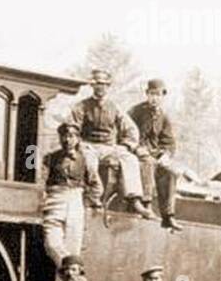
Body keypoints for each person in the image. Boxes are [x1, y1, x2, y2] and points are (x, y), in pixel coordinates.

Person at [66, 69, 155, 220]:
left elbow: (130, 128)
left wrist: (126, 145)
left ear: (108, 87)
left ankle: (135, 200)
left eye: (104, 84)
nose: (101, 88)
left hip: (109, 147)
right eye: (98, 84)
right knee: (89, 161)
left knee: (131, 159)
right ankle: (94, 196)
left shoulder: (114, 107)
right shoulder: (81, 106)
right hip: (89, 145)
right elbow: (72, 127)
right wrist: (76, 143)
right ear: (92, 85)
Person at [41, 121, 103, 272]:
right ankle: (74, 273)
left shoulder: (86, 159)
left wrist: (87, 202)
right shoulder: (49, 158)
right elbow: (40, 178)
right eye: (64, 136)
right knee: (52, 244)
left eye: (71, 136)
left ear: (78, 138)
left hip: (76, 202)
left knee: (73, 247)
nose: (67, 140)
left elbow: (96, 185)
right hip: (54, 201)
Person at [128, 79, 189, 232]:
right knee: (147, 162)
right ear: (147, 94)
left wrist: (165, 155)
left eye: (158, 95)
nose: (154, 98)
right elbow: (125, 133)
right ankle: (146, 204)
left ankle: (168, 216)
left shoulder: (164, 117)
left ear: (163, 96)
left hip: (154, 155)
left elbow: (169, 142)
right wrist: (135, 148)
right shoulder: (135, 112)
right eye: (151, 94)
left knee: (170, 172)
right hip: (135, 154)